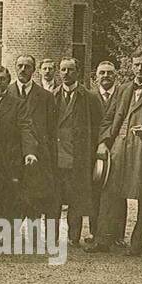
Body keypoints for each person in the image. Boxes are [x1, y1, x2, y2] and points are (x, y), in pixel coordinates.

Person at [87, 52, 142, 255]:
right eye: (136, 65)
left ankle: (137, 244)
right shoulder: (122, 89)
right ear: (131, 66)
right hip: (118, 147)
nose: (139, 69)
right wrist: (103, 142)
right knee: (109, 193)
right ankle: (103, 240)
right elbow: (108, 119)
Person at [54, 57, 103, 246]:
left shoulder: (89, 97)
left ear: (78, 72)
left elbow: (99, 125)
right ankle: (53, 237)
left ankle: (73, 237)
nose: (66, 73)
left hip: (79, 156)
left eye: (70, 70)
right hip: (57, 155)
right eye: (63, 70)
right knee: (55, 200)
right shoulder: (53, 96)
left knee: (76, 198)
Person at [12, 54, 58, 230]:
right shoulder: (8, 92)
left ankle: (33, 236)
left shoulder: (45, 96)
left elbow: (51, 129)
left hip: (37, 155)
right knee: (13, 196)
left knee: (34, 196)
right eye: (20, 66)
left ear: (33, 70)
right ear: (15, 68)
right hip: (12, 155)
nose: (23, 70)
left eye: (27, 66)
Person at [0, 65, 28, 221]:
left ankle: (5, 235)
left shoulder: (17, 103)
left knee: (6, 197)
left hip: (7, 158)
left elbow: (25, 128)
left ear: (8, 81)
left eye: (2, 79)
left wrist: (29, 152)